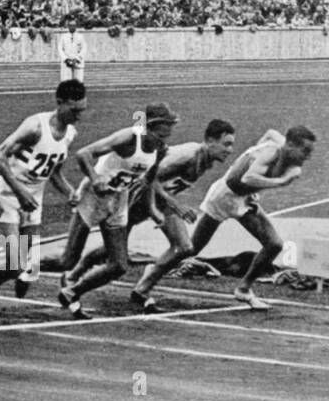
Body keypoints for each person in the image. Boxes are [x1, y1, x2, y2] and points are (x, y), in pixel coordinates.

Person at [133, 126, 315, 310]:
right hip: (223, 197)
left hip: (242, 199)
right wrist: (280, 181)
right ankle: (152, 275)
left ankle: (243, 289)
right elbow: (248, 178)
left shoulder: (280, 142)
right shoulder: (270, 153)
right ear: (290, 145)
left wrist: (252, 168)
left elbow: (269, 132)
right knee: (191, 248)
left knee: (274, 244)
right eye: (305, 151)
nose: (308, 157)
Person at [0, 82, 86, 322]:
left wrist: (69, 191)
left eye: (81, 111)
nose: (78, 117)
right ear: (60, 103)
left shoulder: (70, 134)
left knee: (26, 264)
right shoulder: (35, 126)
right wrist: (20, 192)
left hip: (33, 201)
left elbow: (54, 170)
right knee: (16, 264)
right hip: (9, 196)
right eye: (74, 110)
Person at [88, 119, 237, 313]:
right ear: (210, 140)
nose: (230, 150)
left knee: (184, 247)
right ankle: (74, 271)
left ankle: (142, 289)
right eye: (226, 144)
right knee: (115, 250)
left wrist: (169, 205)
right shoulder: (188, 154)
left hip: (160, 203)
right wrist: (174, 205)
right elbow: (149, 177)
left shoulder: (205, 160)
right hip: (137, 199)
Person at [58, 104, 177, 318]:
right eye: (161, 133)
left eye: (168, 133)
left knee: (119, 265)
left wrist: (152, 210)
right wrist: (96, 180)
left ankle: (71, 291)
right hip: (94, 198)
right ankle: (10, 266)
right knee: (66, 261)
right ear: (150, 127)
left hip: (118, 199)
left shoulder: (159, 148)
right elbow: (83, 154)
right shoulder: (129, 138)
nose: (165, 139)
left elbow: (148, 181)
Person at [57, 17, 85, 83]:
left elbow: (84, 49)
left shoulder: (80, 36)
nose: (72, 27)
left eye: (74, 25)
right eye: (71, 25)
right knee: (65, 83)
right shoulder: (63, 36)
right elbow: (60, 49)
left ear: (76, 26)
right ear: (68, 26)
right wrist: (66, 59)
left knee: (78, 83)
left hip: (78, 63)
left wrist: (77, 59)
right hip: (66, 63)